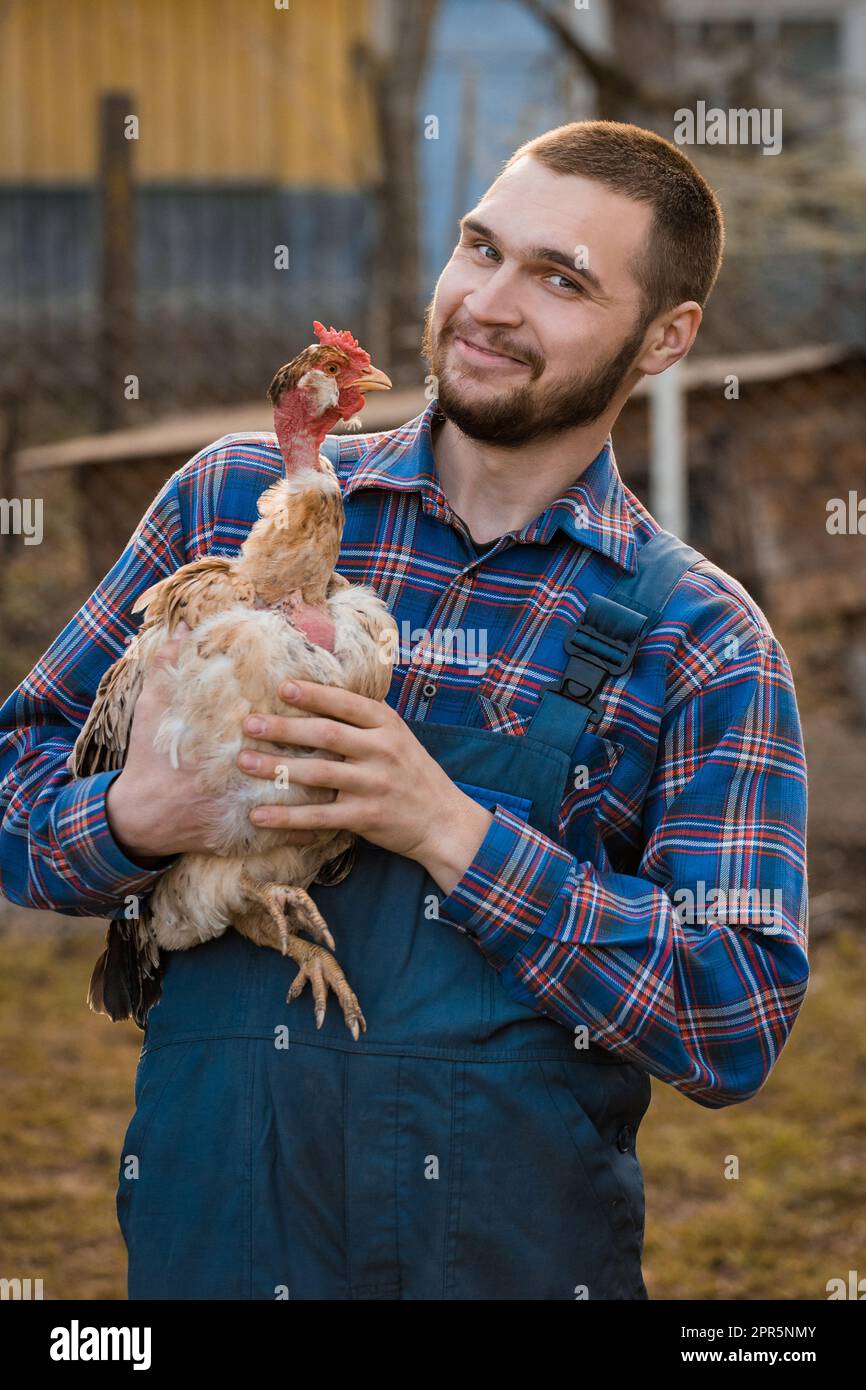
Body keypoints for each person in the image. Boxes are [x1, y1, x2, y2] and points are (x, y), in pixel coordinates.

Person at [0, 120, 808, 1301]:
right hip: (218, 1232)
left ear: (665, 337)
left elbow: (731, 1016)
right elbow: (15, 780)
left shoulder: (699, 634)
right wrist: (133, 813)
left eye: (559, 279)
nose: (485, 303)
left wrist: (453, 833)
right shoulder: (232, 503)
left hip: (501, 1258)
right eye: (479, 248)